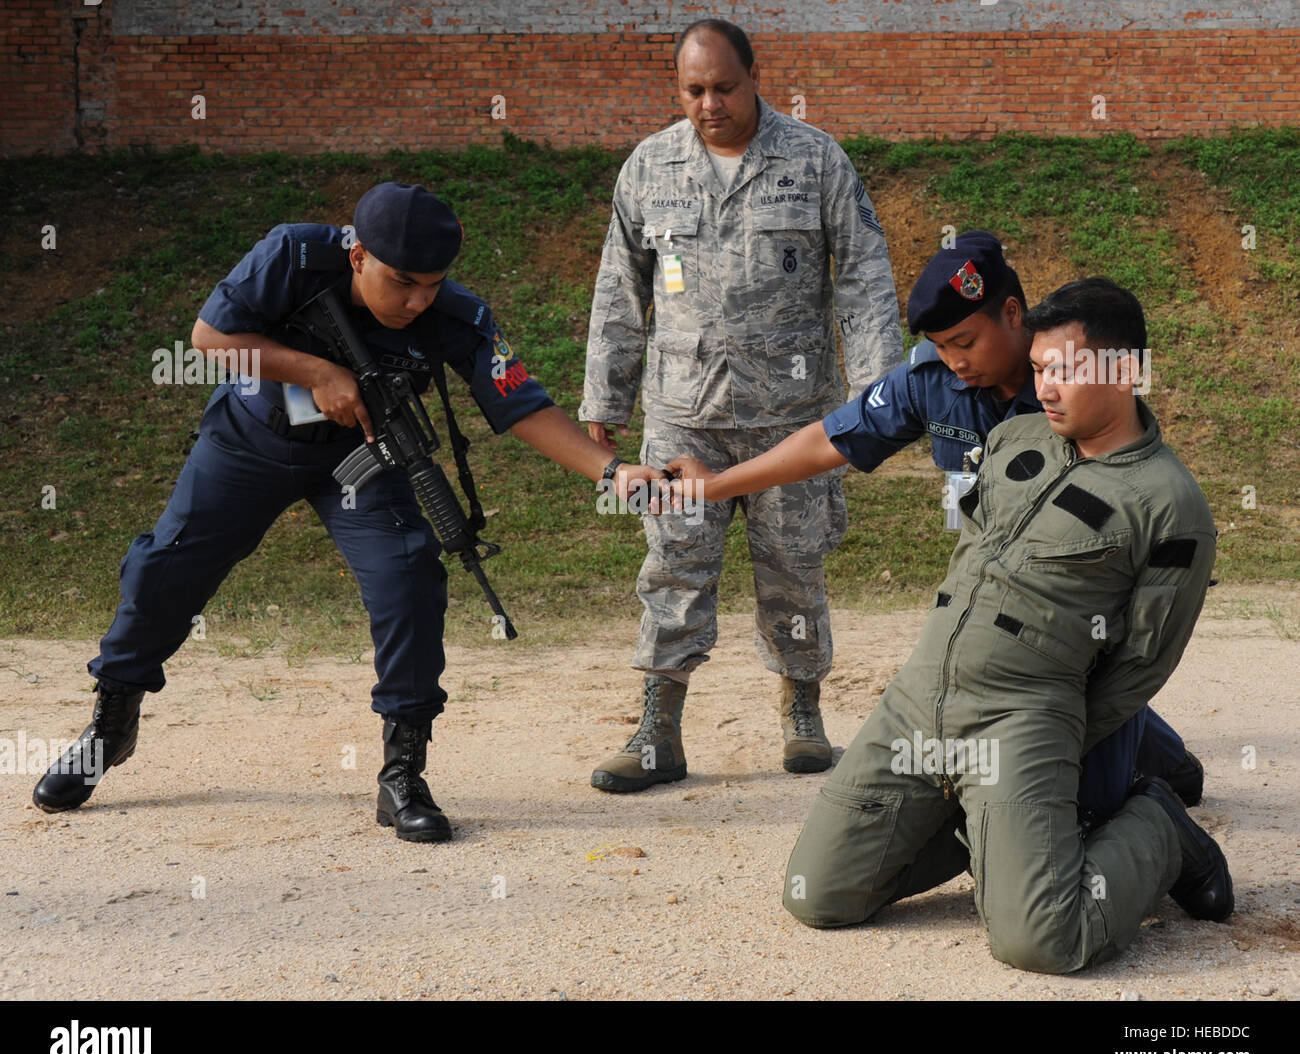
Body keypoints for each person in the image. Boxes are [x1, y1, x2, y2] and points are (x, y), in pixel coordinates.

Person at [32, 181, 662, 843]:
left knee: (409, 578)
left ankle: (402, 773)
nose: (417, 300)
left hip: (361, 459)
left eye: (432, 284)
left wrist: (613, 471)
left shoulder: (453, 314)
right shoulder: (294, 256)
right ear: (358, 255)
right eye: (402, 282)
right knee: (165, 568)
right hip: (251, 440)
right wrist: (314, 371)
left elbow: (518, 401)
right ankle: (110, 726)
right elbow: (210, 337)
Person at [678, 276, 1232, 972]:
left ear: (1123, 372)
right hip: (917, 702)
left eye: (1064, 372)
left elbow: (1144, 662)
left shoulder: (1169, 505)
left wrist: (1053, 742)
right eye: (1039, 371)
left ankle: (1158, 827)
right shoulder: (1013, 439)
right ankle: (1001, 844)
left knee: (1043, 942)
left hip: (1022, 721)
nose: (1048, 388)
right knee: (817, 896)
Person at [580, 17, 903, 791]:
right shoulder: (649, 167)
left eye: (724, 87)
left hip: (793, 420)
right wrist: (607, 390)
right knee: (674, 568)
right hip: (682, 411)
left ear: (756, 76)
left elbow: (863, 275)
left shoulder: (814, 159)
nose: (710, 103)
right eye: (693, 89)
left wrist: (878, 391)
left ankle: (803, 718)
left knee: (794, 571)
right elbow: (620, 287)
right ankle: (658, 729)